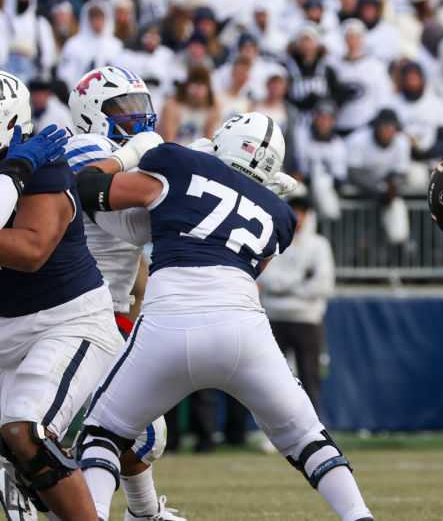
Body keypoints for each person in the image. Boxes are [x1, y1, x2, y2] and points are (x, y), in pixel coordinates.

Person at [72, 112, 373, 521]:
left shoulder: (177, 163)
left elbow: (89, 188)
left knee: (103, 433)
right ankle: (359, 515)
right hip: (243, 328)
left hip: (170, 319)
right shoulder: (279, 214)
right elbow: (251, 265)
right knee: (307, 438)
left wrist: (128, 154)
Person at [63, 66, 186, 521]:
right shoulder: (84, 147)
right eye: (124, 110)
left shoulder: (124, 155)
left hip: (99, 307)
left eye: (141, 109)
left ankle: (143, 510)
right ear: (92, 112)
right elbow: (102, 189)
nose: (138, 119)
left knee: (133, 428)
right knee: (138, 429)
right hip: (70, 311)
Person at [0, 70, 122, 521]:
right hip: (6, 329)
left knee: (26, 430)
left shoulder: (44, 165)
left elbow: (31, 250)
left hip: (66, 322)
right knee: (19, 449)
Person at [257, 191, 335, 415]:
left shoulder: (319, 245)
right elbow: (264, 278)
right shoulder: (274, 241)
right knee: (273, 379)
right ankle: (272, 432)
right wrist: (299, 280)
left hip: (307, 320)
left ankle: (314, 432)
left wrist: (280, 288)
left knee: (310, 377)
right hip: (273, 318)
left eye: (302, 213)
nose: (298, 218)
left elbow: (323, 286)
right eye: (294, 213)